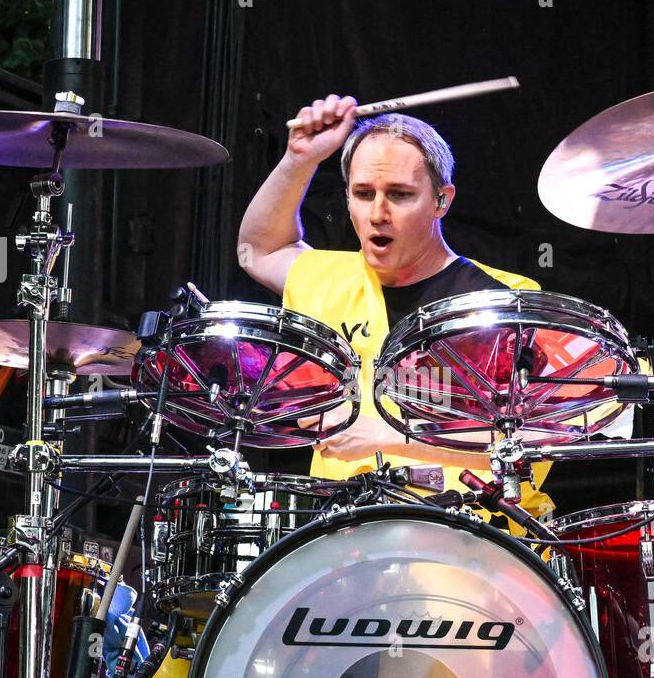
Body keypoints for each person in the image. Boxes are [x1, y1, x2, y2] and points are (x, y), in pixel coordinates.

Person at [237, 93, 553, 516]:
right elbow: (257, 249)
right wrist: (300, 160)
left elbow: (539, 444)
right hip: (347, 541)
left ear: (442, 200)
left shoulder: (503, 301)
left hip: (475, 544)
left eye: (400, 195)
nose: (378, 213)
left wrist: (387, 437)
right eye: (363, 194)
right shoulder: (330, 280)